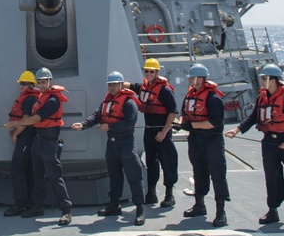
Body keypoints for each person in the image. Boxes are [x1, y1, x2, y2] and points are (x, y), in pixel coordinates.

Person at [226, 64, 284, 226]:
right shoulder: (262, 98)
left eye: (264, 78)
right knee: (272, 178)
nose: (261, 81)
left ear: (273, 80)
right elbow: (253, 118)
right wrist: (237, 130)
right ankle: (273, 211)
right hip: (268, 143)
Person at [73, 71, 146, 226]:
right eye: (110, 85)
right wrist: (84, 125)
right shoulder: (107, 101)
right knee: (114, 175)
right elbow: (96, 115)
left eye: (114, 85)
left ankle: (139, 209)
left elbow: (129, 123)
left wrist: (110, 126)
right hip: (112, 145)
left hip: (126, 143)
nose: (112, 88)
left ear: (121, 85)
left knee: (134, 176)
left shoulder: (128, 102)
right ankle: (114, 204)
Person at [10, 67, 73, 226]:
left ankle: (66, 210)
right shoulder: (40, 97)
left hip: (49, 141)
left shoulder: (52, 100)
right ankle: (37, 205)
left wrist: (15, 124)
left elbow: (35, 119)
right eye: (39, 82)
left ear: (50, 81)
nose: (41, 85)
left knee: (54, 175)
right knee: (37, 174)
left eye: (44, 82)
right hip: (38, 141)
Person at [179, 63, 230, 227]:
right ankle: (199, 205)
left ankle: (221, 211)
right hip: (195, 141)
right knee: (198, 171)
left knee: (217, 174)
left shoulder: (213, 98)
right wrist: (181, 124)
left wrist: (192, 126)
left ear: (201, 79)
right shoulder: (189, 96)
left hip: (212, 141)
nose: (191, 81)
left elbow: (216, 122)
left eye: (193, 78)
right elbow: (184, 114)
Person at [130, 58, 178, 207]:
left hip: (162, 132)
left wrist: (164, 132)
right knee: (151, 161)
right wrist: (116, 83)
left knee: (167, 162)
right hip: (149, 131)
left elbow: (172, 111)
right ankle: (151, 193)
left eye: (152, 71)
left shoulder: (165, 90)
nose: (149, 74)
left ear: (157, 73)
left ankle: (169, 194)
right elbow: (131, 86)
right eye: (147, 71)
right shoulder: (144, 87)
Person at [0, 70, 40, 216]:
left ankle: (20, 203)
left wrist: (15, 134)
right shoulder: (29, 98)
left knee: (17, 169)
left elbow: (25, 120)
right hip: (30, 139)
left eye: (24, 84)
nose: (21, 87)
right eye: (21, 84)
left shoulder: (29, 99)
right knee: (27, 170)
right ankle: (29, 201)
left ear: (31, 85)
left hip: (26, 138)